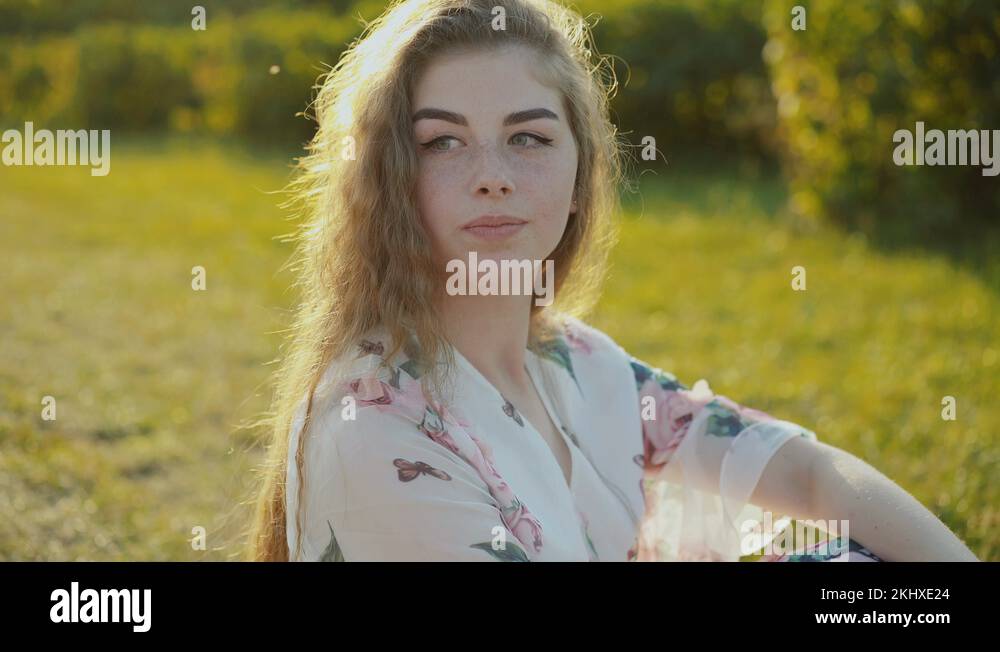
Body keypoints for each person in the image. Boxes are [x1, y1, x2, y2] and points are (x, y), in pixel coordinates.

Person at [245, 0, 980, 562]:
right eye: (442, 143)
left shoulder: (574, 362)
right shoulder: (374, 422)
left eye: (527, 138)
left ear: (578, 180)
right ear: (390, 182)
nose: (492, 179)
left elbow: (814, 477)